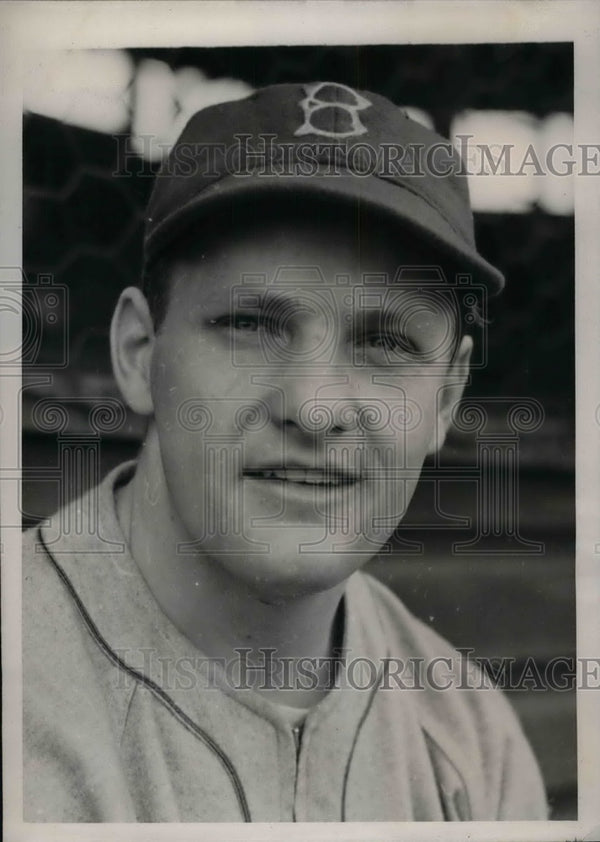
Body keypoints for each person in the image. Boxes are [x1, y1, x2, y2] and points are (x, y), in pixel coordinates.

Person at [23, 81, 548, 822]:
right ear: (141, 353)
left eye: (387, 342)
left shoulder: (472, 742)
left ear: (447, 400)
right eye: (250, 324)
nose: (313, 407)